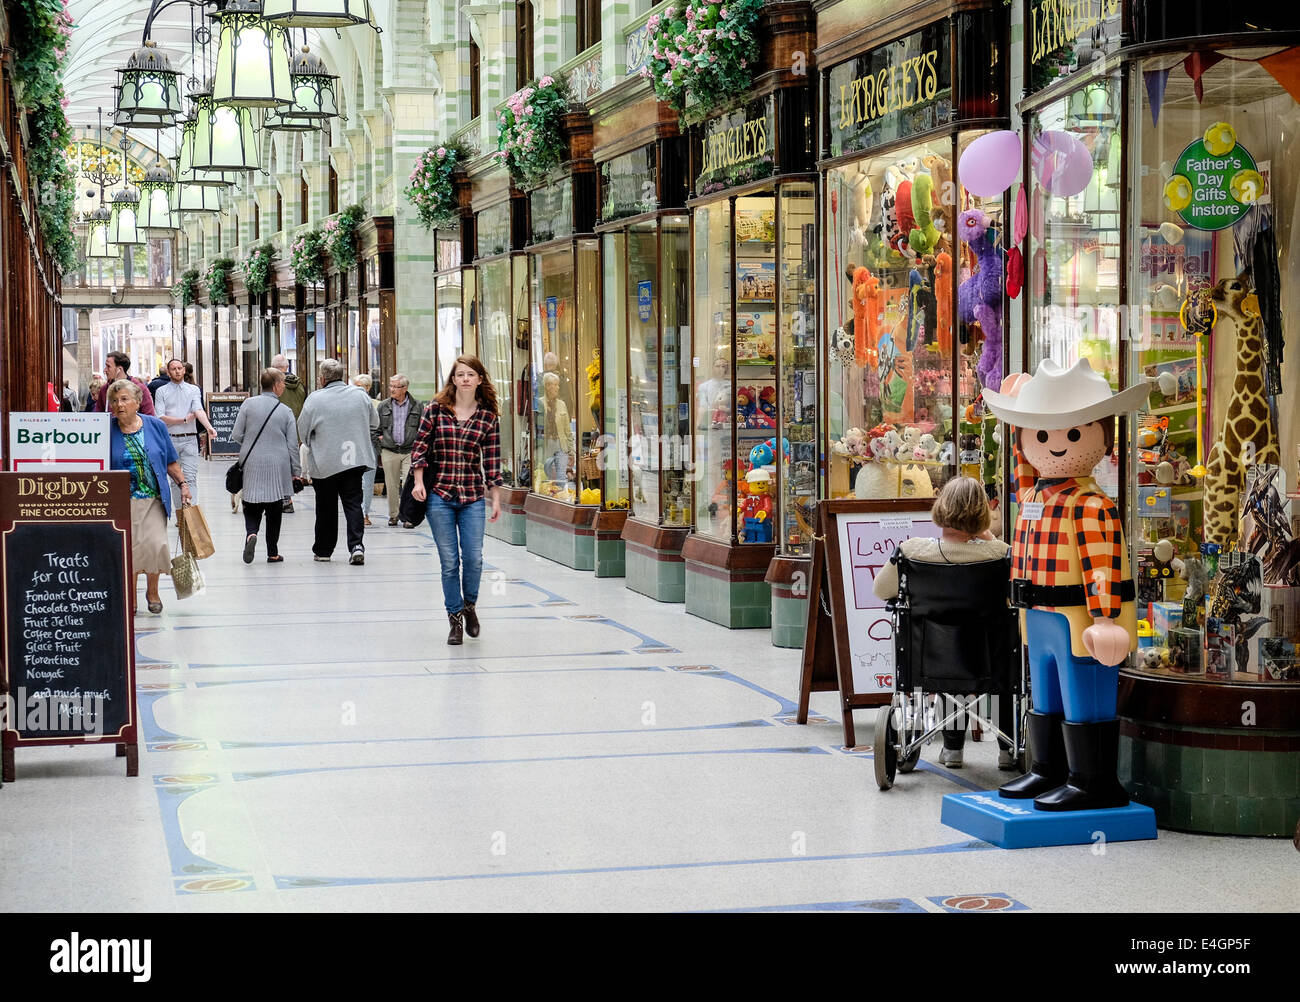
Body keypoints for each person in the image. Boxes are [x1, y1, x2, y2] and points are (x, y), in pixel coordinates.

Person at [982, 360, 1146, 811]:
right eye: (1040, 432)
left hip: (1081, 617)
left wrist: (1106, 615)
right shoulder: (1035, 495)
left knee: (1082, 690)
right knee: (1047, 690)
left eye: (1073, 433)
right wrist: (1015, 414)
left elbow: (1103, 564)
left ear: (1102, 438)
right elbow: (1019, 464)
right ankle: (1047, 769)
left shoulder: (1092, 505)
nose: (1056, 445)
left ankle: (1092, 780)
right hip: (1038, 616)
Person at [873, 476, 1012, 769]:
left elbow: (881, 590)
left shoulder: (912, 551)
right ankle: (1007, 751)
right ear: (983, 515)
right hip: (988, 658)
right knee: (997, 671)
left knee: (950, 667)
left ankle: (952, 750)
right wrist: (987, 537)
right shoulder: (1000, 554)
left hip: (930, 656)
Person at [410, 354, 503, 645]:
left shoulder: (488, 417)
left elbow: (492, 460)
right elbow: (420, 448)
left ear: (479, 380)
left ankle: (470, 606)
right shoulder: (435, 410)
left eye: (470, 375)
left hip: (473, 496)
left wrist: (496, 498)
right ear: (453, 379)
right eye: (460, 374)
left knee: (473, 559)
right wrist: (418, 482)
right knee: (449, 562)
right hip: (440, 495)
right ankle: (454, 620)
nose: (465, 379)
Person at [106, 378, 190, 615]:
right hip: (121, 500)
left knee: (155, 544)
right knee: (130, 549)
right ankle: (130, 597)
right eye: (114, 400)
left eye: (124, 399)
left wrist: (183, 483)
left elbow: (170, 461)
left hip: (153, 497)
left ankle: (152, 592)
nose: (118, 404)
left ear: (137, 402)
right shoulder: (106, 430)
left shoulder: (155, 426)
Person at [297, 358, 378, 564]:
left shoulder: (315, 399)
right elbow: (374, 423)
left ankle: (324, 550)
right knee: (353, 503)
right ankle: (356, 546)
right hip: (354, 460)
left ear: (322, 378)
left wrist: (314, 442)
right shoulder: (360, 396)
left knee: (326, 507)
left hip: (326, 463)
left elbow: (303, 431)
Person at [232, 368, 302, 564]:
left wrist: (251, 441)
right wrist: (296, 472)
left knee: (252, 503)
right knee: (273, 508)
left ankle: (251, 534)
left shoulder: (248, 404)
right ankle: (272, 552)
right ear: (277, 386)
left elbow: (237, 434)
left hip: (252, 460)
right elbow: (292, 445)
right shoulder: (285, 411)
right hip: (277, 463)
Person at [153, 358, 218, 511]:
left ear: (184, 370)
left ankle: (191, 511)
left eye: (180, 368)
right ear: (168, 372)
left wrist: (209, 427)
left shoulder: (193, 390)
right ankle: (180, 513)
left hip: (189, 439)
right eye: (174, 368)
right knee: (176, 480)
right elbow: (160, 417)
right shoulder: (162, 391)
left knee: (190, 478)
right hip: (169, 439)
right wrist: (181, 420)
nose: (177, 371)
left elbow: (198, 409)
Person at [375, 373, 423, 527]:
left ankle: (408, 517)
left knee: (410, 484)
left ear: (405, 388)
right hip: (389, 450)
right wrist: (380, 444)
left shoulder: (417, 406)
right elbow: (375, 429)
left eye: (395, 386)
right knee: (391, 484)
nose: (392, 389)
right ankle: (394, 515)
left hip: (410, 450)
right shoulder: (383, 406)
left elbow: (423, 429)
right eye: (391, 386)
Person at [273, 354, 308, 514]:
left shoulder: (275, 385)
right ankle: (287, 499)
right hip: (297, 428)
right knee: (289, 463)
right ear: (287, 367)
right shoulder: (300, 384)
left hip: (278, 428)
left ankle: (282, 499)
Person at [352, 373, 379, 525]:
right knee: (354, 482)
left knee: (367, 482)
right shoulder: (348, 403)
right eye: (355, 386)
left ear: (368, 388)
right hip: (352, 447)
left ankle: (364, 513)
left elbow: (376, 424)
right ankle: (356, 511)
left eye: (360, 387)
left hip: (369, 445)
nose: (358, 390)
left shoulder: (375, 404)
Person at [539, 370, 573, 485]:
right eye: (555, 385)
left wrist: (571, 451)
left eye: (558, 385)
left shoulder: (562, 404)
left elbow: (568, 431)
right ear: (548, 386)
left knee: (561, 478)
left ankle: (561, 499)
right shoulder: (539, 403)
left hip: (560, 444)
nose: (558, 388)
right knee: (547, 475)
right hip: (545, 445)